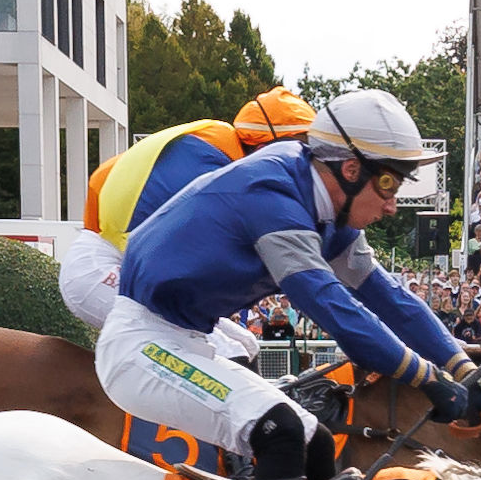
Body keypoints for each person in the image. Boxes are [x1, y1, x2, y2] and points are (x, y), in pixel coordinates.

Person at [100, 88, 481, 480]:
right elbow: (329, 305)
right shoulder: (272, 192)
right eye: (390, 182)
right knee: (278, 430)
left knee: (316, 441)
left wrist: (465, 367)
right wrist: (424, 377)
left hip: (186, 339)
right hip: (142, 345)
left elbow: (388, 297)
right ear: (350, 169)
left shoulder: (328, 210)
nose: (394, 203)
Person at [55, 88, 316, 328]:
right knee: (222, 350)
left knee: (243, 341)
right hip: (101, 266)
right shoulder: (215, 161)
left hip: (121, 263)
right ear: (265, 146)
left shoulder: (221, 152)